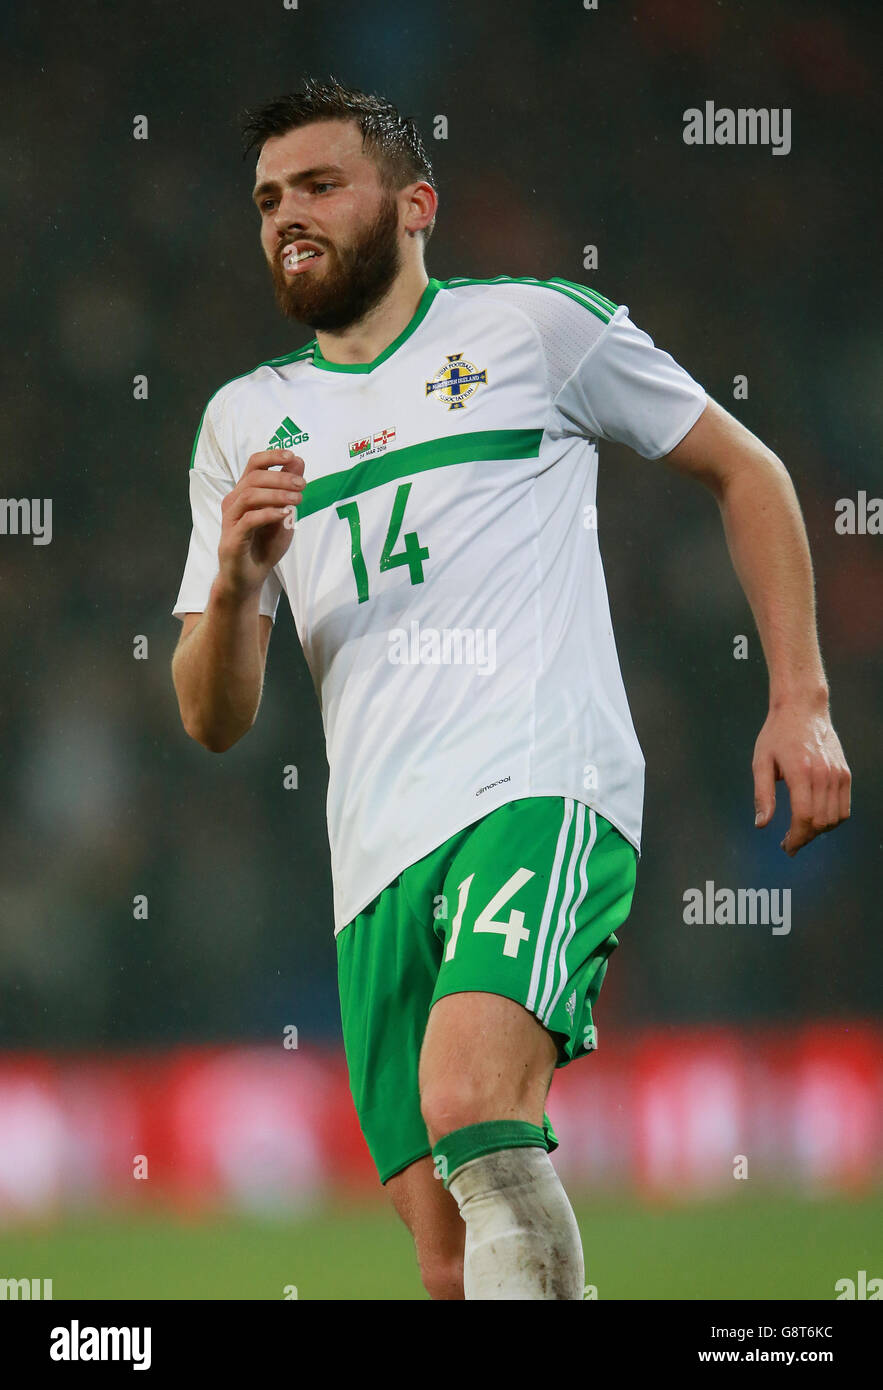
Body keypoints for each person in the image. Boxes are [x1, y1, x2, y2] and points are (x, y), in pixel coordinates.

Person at [171, 77, 851, 1300]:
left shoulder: (534, 331)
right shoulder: (244, 423)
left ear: (414, 203)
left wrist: (796, 694)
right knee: (449, 1262)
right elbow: (212, 717)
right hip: (373, 859)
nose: (289, 215)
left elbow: (745, 472)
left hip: (541, 781)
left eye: (321, 184)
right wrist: (231, 582)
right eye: (270, 198)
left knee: (474, 1101)